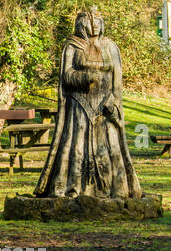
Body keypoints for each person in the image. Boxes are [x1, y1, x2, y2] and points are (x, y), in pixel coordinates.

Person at [36, 10, 143, 199]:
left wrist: (114, 102)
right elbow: (66, 75)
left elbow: (116, 79)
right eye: (89, 21)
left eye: (98, 21)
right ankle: (74, 188)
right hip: (80, 106)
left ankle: (114, 189)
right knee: (76, 147)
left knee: (110, 148)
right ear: (80, 24)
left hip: (105, 106)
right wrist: (83, 77)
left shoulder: (110, 47)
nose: (94, 25)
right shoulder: (73, 46)